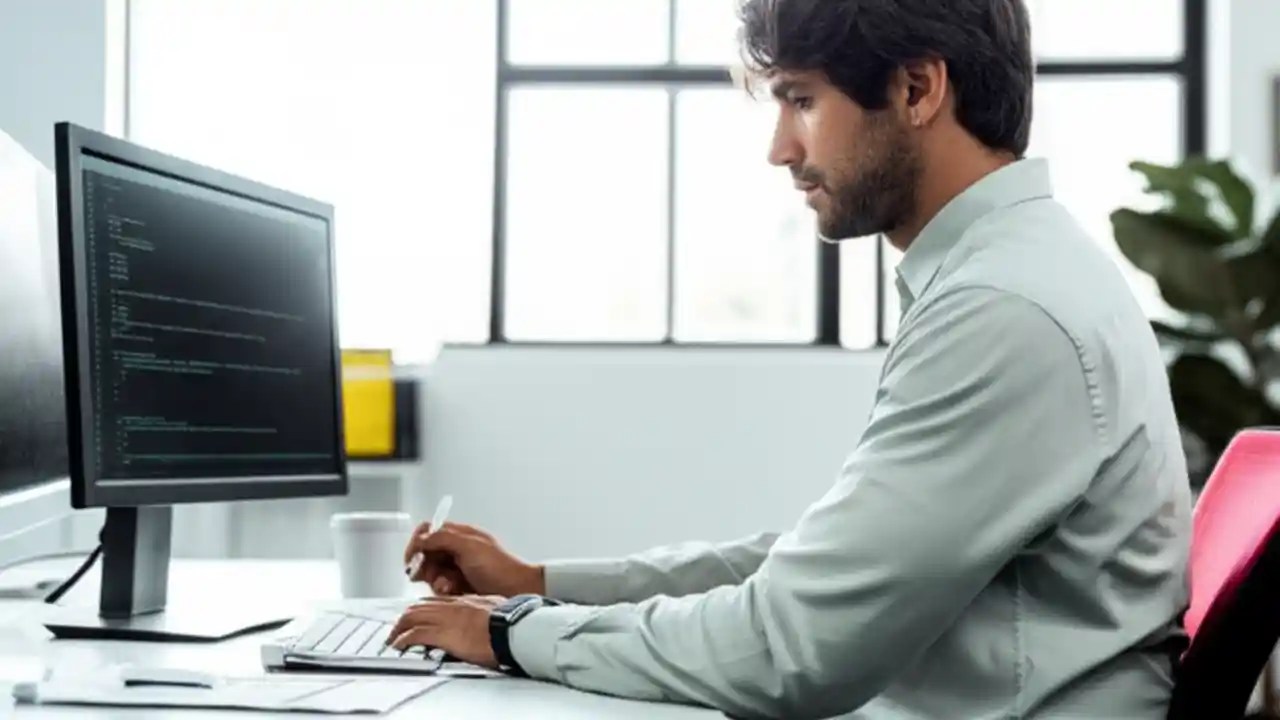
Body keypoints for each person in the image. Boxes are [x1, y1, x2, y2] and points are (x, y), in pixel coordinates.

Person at [386, 0, 1192, 717]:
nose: (780, 148)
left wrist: (514, 633)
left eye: (802, 100)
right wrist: (540, 585)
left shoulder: (1004, 310)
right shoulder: (1013, 271)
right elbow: (820, 568)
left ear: (917, 90)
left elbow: (791, 648)